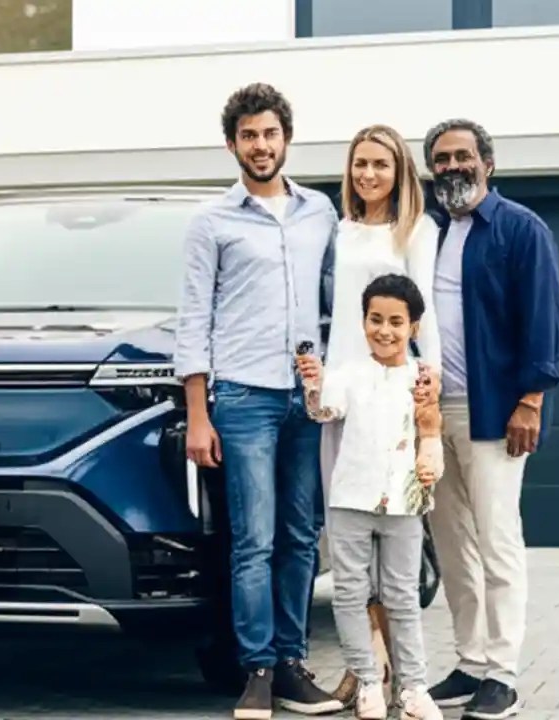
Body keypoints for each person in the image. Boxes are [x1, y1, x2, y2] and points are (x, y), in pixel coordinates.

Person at [173, 82, 343, 720]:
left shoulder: (319, 212)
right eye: (249, 136)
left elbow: (336, 299)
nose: (261, 145)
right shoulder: (211, 222)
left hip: (308, 400)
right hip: (243, 398)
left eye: (270, 133)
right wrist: (198, 414)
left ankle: (293, 665)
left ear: (286, 139)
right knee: (253, 541)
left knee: (300, 536)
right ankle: (258, 672)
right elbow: (194, 319)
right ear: (232, 145)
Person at [420, 118, 559, 720]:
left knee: (498, 541)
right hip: (433, 415)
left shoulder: (520, 229)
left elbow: (543, 318)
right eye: (441, 158)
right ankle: (470, 660)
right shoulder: (428, 233)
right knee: (453, 545)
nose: (452, 166)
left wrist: (531, 400)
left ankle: (502, 672)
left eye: (463, 155)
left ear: (487, 163)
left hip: (496, 411)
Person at [319, 123, 443, 706]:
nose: (368, 174)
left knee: (395, 543)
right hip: (342, 390)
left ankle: (403, 676)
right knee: (348, 541)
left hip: (394, 390)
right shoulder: (339, 229)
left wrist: (429, 382)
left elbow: (426, 310)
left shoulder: (416, 228)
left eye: (381, 164)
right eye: (360, 163)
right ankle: (368, 669)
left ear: (400, 173)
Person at [298, 273, 446, 720]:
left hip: (404, 503)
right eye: (375, 319)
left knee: (402, 595)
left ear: (413, 326)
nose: (384, 330)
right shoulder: (348, 375)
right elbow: (323, 411)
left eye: (396, 322)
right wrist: (314, 382)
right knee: (350, 594)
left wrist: (430, 462)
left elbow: (430, 430)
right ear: (363, 321)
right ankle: (368, 683)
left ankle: (413, 687)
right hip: (351, 500)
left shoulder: (422, 378)